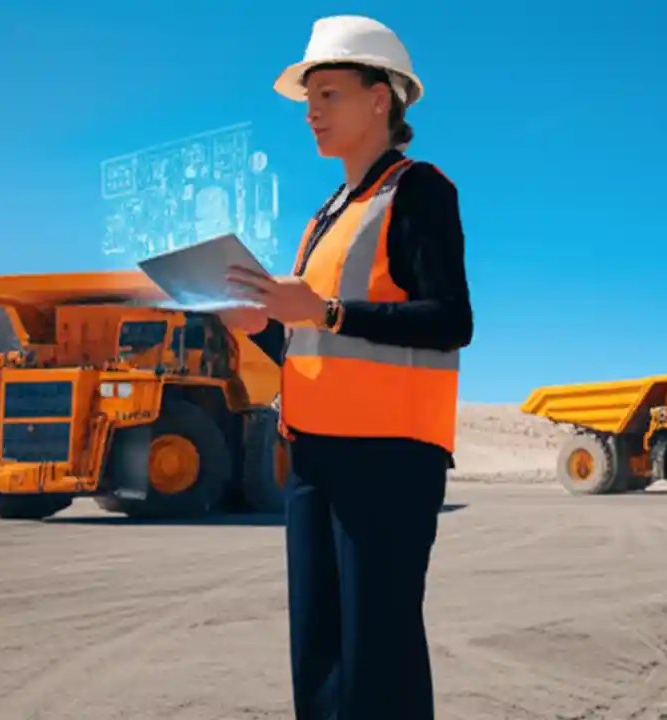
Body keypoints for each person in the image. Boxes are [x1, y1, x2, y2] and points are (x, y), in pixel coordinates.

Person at [220, 14, 473, 720]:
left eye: (328, 94)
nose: (312, 112)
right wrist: (263, 328)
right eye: (309, 99)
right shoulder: (325, 217)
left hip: (389, 456)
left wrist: (326, 310)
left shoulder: (419, 191)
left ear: (380, 99)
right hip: (313, 459)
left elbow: (450, 320)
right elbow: (311, 346)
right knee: (320, 658)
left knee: (377, 659)